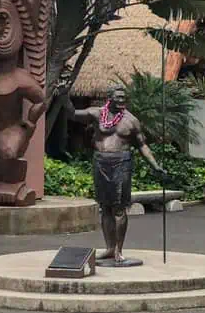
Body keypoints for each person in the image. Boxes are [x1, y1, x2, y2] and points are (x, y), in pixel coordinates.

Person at [71, 86, 166, 264]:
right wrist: (61, 95)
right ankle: (109, 248)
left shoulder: (132, 121)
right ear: (110, 98)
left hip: (122, 163)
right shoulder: (97, 114)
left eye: (124, 98)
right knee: (105, 207)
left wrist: (155, 165)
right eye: (118, 98)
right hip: (101, 162)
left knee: (119, 208)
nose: (122, 101)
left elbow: (142, 145)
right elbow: (72, 114)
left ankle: (119, 251)